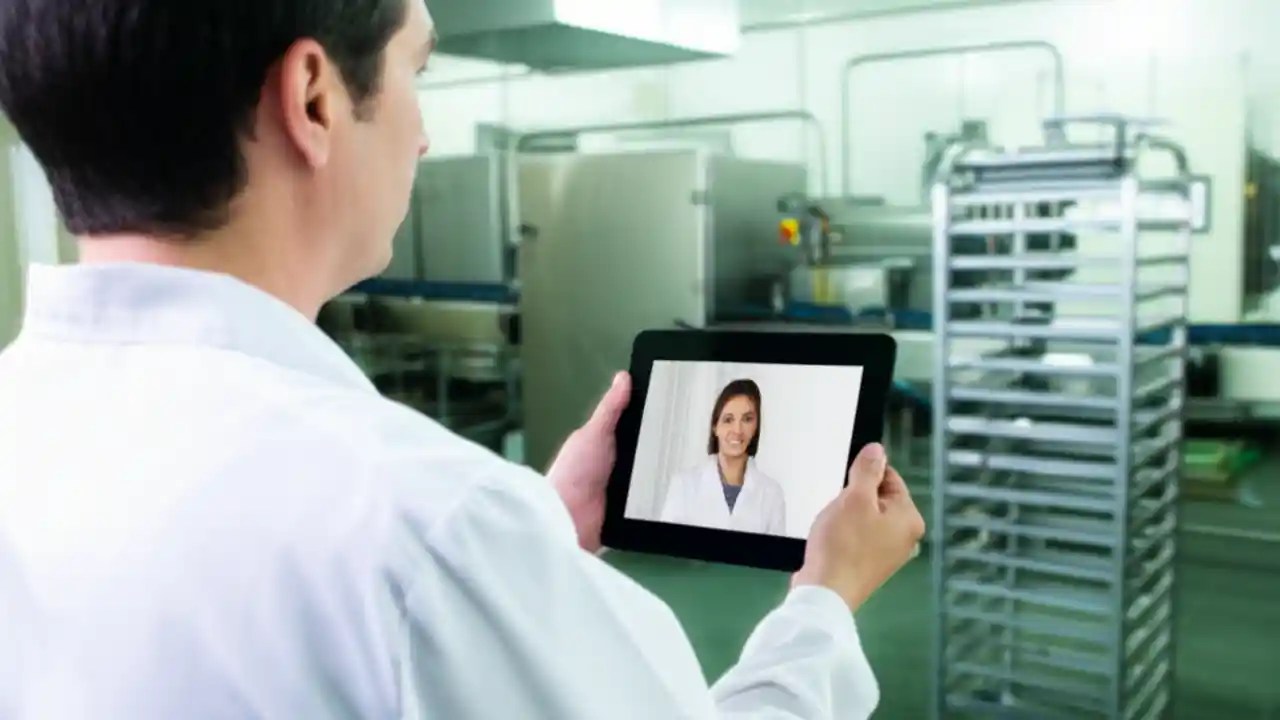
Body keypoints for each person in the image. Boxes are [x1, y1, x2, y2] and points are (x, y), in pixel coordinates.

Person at [0, 1, 926, 718]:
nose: (424, 132)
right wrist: (824, 601)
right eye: (418, 69)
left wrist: (536, 532)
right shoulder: (427, 523)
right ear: (314, 98)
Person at [661, 379, 787, 535]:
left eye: (747, 419)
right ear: (715, 427)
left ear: (756, 426)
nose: (737, 430)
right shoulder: (683, 485)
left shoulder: (772, 494)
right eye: (728, 420)